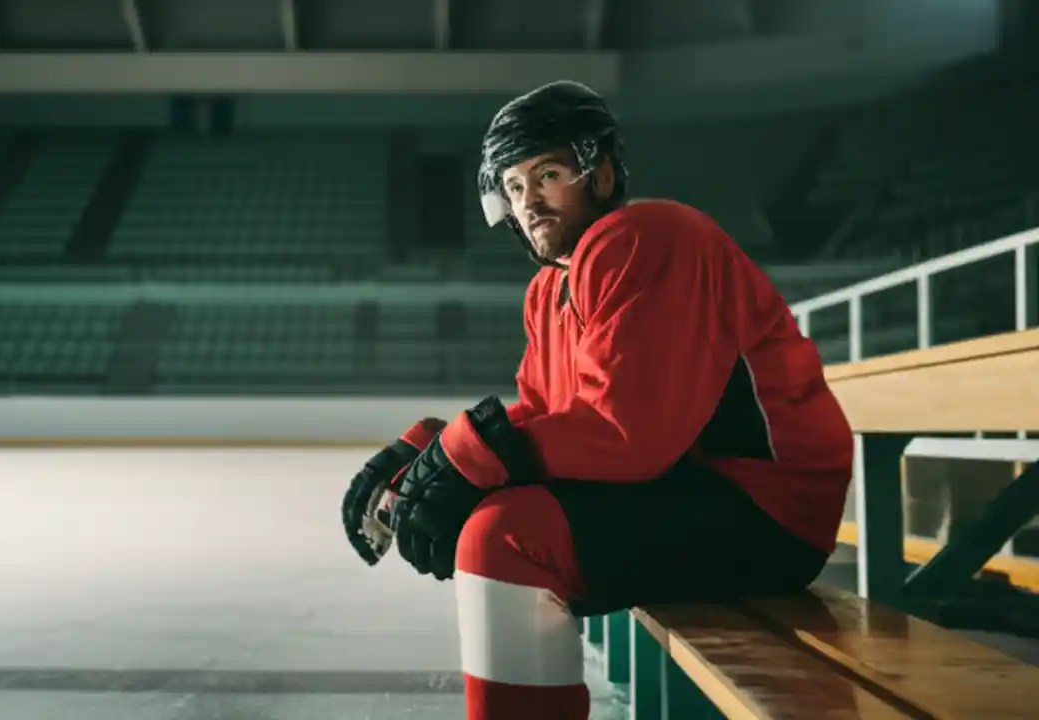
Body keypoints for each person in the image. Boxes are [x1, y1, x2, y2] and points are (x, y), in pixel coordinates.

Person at [341, 80, 854, 720]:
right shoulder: (549, 288)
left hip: (769, 507)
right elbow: (552, 416)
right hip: (694, 484)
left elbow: (625, 435)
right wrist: (431, 447)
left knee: (507, 536)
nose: (529, 200)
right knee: (499, 514)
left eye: (548, 174)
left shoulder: (645, 236)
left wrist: (467, 459)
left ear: (602, 173)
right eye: (516, 185)